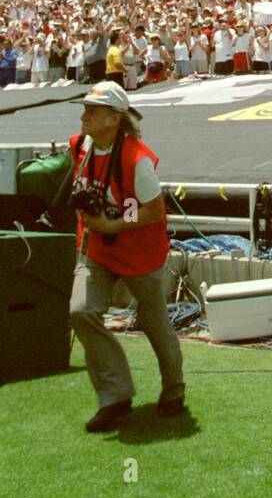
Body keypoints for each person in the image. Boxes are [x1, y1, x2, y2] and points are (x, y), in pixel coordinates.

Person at [67, 80, 186, 431]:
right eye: (85, 107)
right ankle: (116, 397)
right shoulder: (81, 147)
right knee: (81, 311)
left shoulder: (136, 160)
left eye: (93, 109)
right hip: (97, 251)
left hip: (140, 254)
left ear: (114, 119)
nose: (84, 115)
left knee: (153, 322)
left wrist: (113, 224)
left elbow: (149, 210)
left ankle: (174, 390)